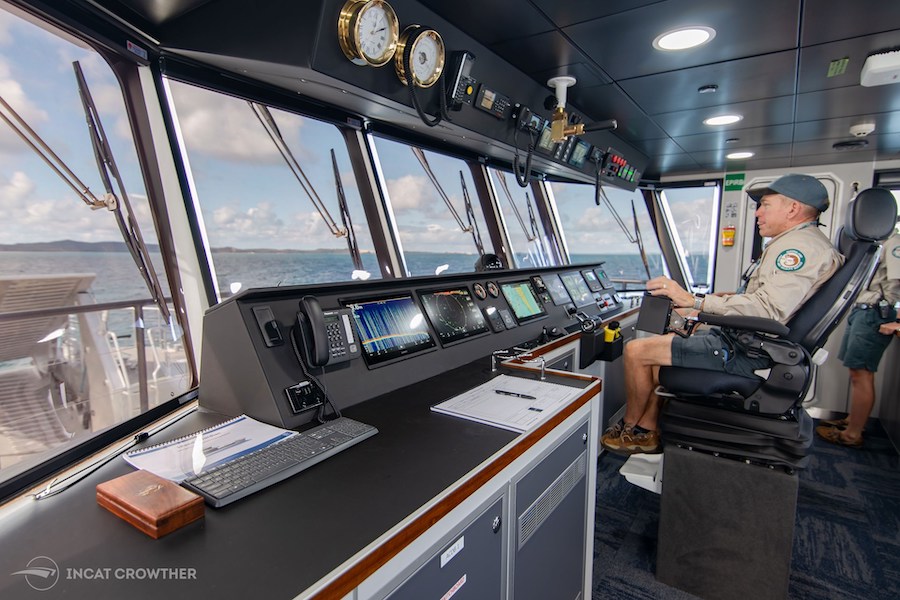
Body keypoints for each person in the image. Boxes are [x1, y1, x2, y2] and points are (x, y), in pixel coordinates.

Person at [602, 173, 844, 454]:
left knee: (636, 351)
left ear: (793, 209)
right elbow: (769, 298)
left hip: (748, 352)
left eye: (765, 204)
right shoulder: (805, 242)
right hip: (752, 342)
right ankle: (648, 429)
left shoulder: (798, 248)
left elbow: (770, 311)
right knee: (661, 347)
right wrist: (718, 301)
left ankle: (630, 429)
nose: (758, 212)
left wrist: (696, 302)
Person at [817, 229, 900, 447]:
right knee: (856, 372)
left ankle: (853, 434)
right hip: (862, 310)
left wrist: (898, 322)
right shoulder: (875, 242)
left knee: (862, 374)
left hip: (875, 313)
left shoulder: (894, 242)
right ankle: (852, 421)